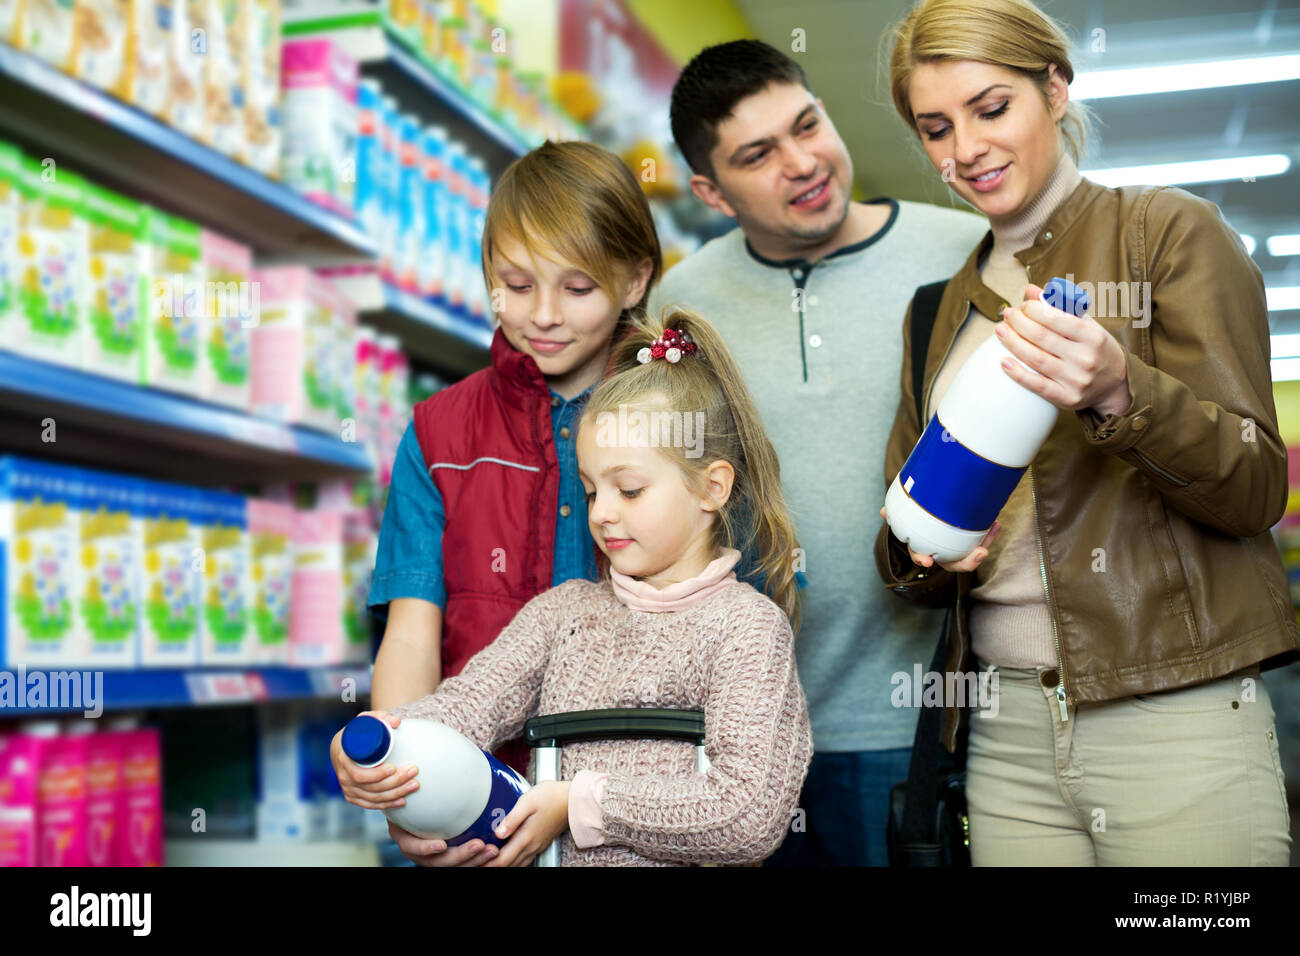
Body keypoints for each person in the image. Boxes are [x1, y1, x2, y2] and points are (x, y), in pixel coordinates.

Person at [878, 0, 1299, 865]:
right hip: (1003, 732)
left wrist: (1118, 390)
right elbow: (900, 535)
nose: (966, 149)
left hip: (1172, 714)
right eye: (936, 128)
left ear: (1056, 89)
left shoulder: (1167, 237)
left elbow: (1256, 487)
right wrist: (921, 555)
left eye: (992, 108)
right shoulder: (937, 311)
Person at [650, 39, 988, 866]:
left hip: (922, 719)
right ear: (711, 192)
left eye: (809, 125)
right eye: (758, 155)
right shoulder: (681, 300)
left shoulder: (962, 252)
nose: (803, 163)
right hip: (744, 732)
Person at [335, 308, 813, 866]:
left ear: (712, 487)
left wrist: (578, 805)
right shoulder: (563, 614)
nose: (603, 514)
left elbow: (748, 813)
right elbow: (468, 704)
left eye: (629, 490)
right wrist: (383, 739)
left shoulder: (747, 630)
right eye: (590, 491)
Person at [330, 141, 660, 844]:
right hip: (478, 806)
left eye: (577, 289)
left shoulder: (676, 422)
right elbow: (414, 631)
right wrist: (402, 785)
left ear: (634, 280)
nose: (542, 314)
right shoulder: (439, 433)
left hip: (637, 813)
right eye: (514, 283)